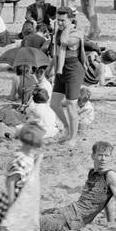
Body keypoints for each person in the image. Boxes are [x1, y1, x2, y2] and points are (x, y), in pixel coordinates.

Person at [40, 142, 116, 231]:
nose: (103, 159)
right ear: (93, 156)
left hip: (71, 221)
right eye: (100, 155)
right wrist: (110, 222)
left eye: (106, 156)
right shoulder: (92, 172)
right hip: (66, 211)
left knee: (34, 223)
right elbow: (106, 197)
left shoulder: (111, 175)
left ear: (110, 157)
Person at [49, 8, 87, 144]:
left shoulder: (76, 33)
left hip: (73, 70)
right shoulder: (58, 32)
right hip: (61, 70)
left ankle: (73, 137)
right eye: (58, 20)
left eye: (62, 20)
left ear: (70, 20)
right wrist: (50, 68)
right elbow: (56, 52)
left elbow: (65, 41)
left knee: (71, 104)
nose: (59, 23)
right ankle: (66, 127)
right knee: (54, 103)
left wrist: (68, 27)